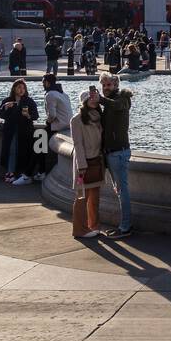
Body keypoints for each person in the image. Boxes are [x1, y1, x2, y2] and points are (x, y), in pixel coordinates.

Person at [98, 71, 135, 239]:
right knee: (120, 190)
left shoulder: (122, 98)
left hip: (119, 152)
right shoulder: (109, 103)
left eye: (109, 84)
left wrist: (100, 100)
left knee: (122, 190)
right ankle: (124, 225)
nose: (106, 87)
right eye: (104, 85)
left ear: (116, 85)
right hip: (112, 153)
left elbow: (117, 105)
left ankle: (126, 227)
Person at [69, 86, 105, 239]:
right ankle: (79, 229)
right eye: (89, 98)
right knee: (81, 196)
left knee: (94, 197)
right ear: (84, 101)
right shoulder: (76, 120)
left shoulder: (98, 116)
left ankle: (93, 226)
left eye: (94, 98)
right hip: (84, 164)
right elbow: (77, 144)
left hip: (97, 161)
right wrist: (82, 165)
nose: (93, 100)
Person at [0, 78, 40, 185]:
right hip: (10, 130)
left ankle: (22, 173)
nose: (21, 90)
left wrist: (28, 115)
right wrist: (5, 107)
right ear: (14, 89)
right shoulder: (7, 100)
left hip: (25, 131)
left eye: (23, 88)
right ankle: (10, 171)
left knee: (24, 151)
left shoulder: (29, 101)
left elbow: (36, 116)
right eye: (19, 87)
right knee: (11, 150)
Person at [42, 73, 73, 174]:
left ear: (46, 83)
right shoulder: (63, 94)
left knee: (39, 145)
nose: (42, 84)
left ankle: (38, 172)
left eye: (43, 82)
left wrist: (47, 122)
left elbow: (52, 115)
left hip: (58, 127)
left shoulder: (50, 94)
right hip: (68, 126)